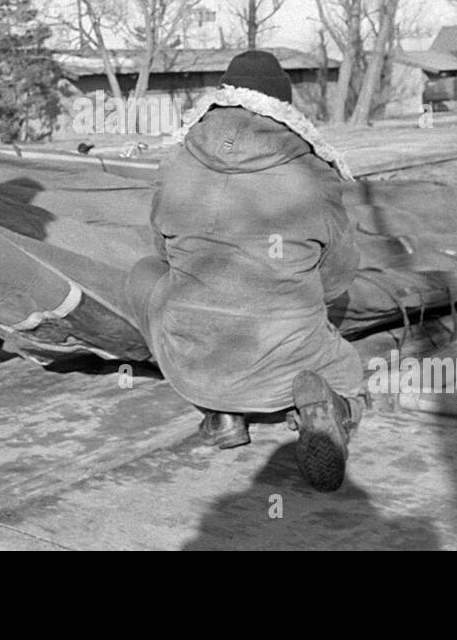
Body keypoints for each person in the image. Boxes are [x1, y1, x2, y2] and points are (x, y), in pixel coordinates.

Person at [124, 51, 366, 492]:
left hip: (198, 362)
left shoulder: (178, 157)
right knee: (347, 372)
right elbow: (339, 274)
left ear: (222, 97)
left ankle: (222, 413)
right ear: (282, 106)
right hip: (286, 357)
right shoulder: (313, 170)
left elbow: (163, 247)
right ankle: (336, 410)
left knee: (144, 273)